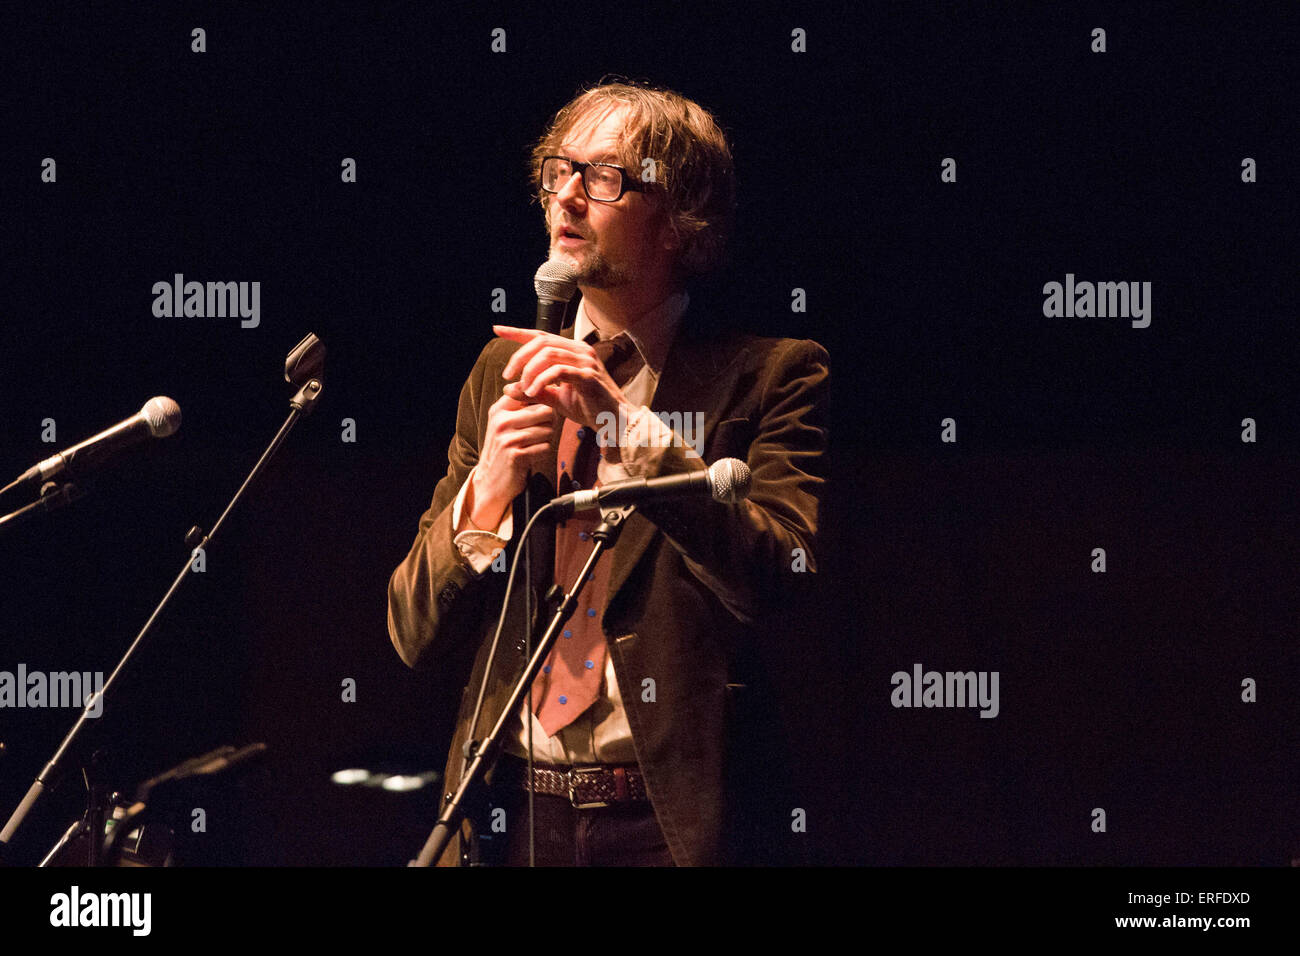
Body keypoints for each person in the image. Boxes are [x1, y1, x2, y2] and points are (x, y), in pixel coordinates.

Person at [387, 80, 829, 866]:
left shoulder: (768, 377)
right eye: (559, 172)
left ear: (679, 220)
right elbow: (411, 629)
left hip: (662, 825)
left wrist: (625, 427)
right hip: (509, 813)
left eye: (605, 178)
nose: (567, 197)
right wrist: (485, 495)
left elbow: (782, 577)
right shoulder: (502, 372)